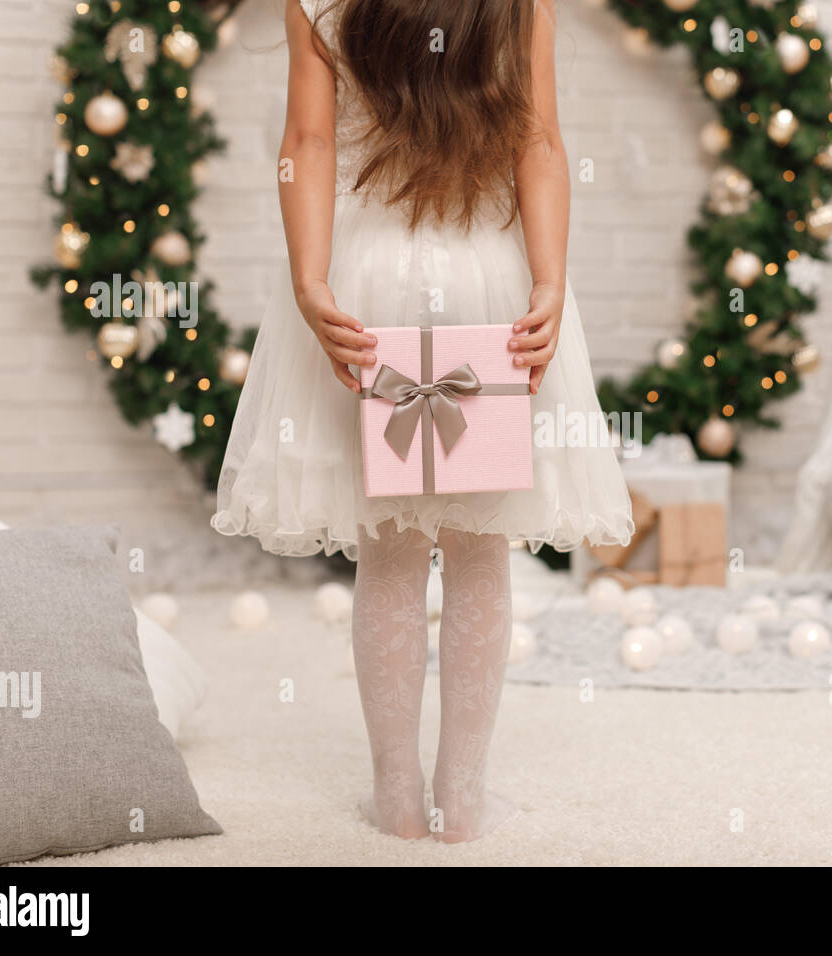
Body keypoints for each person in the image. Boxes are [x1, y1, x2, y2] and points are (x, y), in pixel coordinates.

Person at [212, 0, 633, 842]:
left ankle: (398, 799)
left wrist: (312, 281)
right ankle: (463, 800)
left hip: (373, 280)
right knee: (480, 550)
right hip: (489, 273)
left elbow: (308, 145)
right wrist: (547, 281)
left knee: (391, 550)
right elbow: (540, 140)